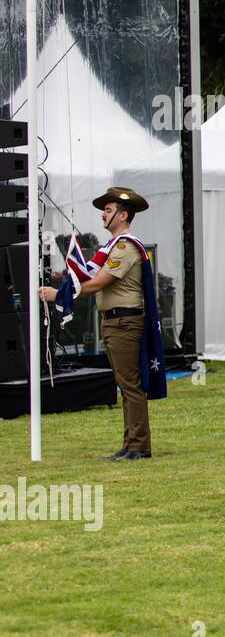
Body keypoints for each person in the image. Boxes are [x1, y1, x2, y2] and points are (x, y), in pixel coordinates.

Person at [38, 185, 167, 460]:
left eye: (108, 210)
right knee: (125, 384)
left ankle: (139, 446)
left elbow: (96, 283)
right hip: (115, 322)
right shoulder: (112, 247)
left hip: (124, 322)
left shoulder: (125, 247)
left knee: (130, 385)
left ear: (123, 215)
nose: (102, 216)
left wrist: (56, 296)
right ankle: (130, 443)